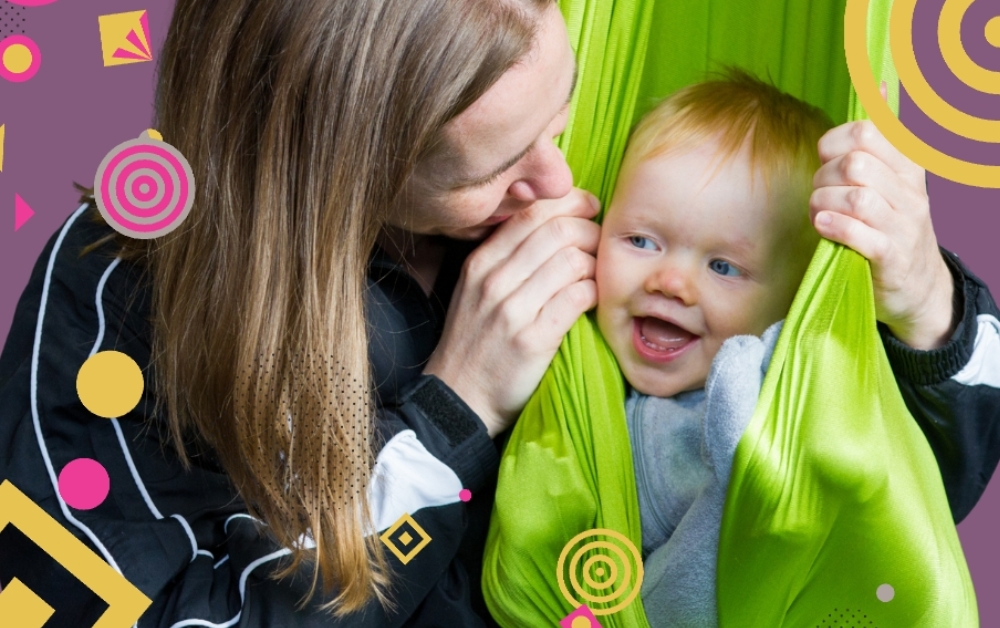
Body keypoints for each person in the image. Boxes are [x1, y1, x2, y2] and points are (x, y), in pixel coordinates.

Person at [0, 0, 995, 626]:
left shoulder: (610, 175)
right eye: (496, 168)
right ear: (344, 170)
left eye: (562, 118)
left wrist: (925, 313)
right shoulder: (118, 288)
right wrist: (449, 417)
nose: (561, 182)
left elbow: (846, 511)